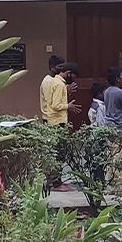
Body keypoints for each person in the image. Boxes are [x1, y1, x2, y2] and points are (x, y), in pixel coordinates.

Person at [45, 62, 78, 193]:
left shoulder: (56, 82)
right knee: (59, 154)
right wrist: (68, 106)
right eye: (73, 76)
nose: (73, 80)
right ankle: (56, 183)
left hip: (54, 121)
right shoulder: (59, 84)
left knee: (57, 154)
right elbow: (56, 105)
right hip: (58, 122)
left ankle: (55, 180)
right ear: (68, 73)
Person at [39, 54, 65, 121]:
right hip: (50, 119)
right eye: (59, 67)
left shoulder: (57, 81)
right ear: (52, 67)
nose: (62, 69)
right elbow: (51, 102)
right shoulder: (48, 82)